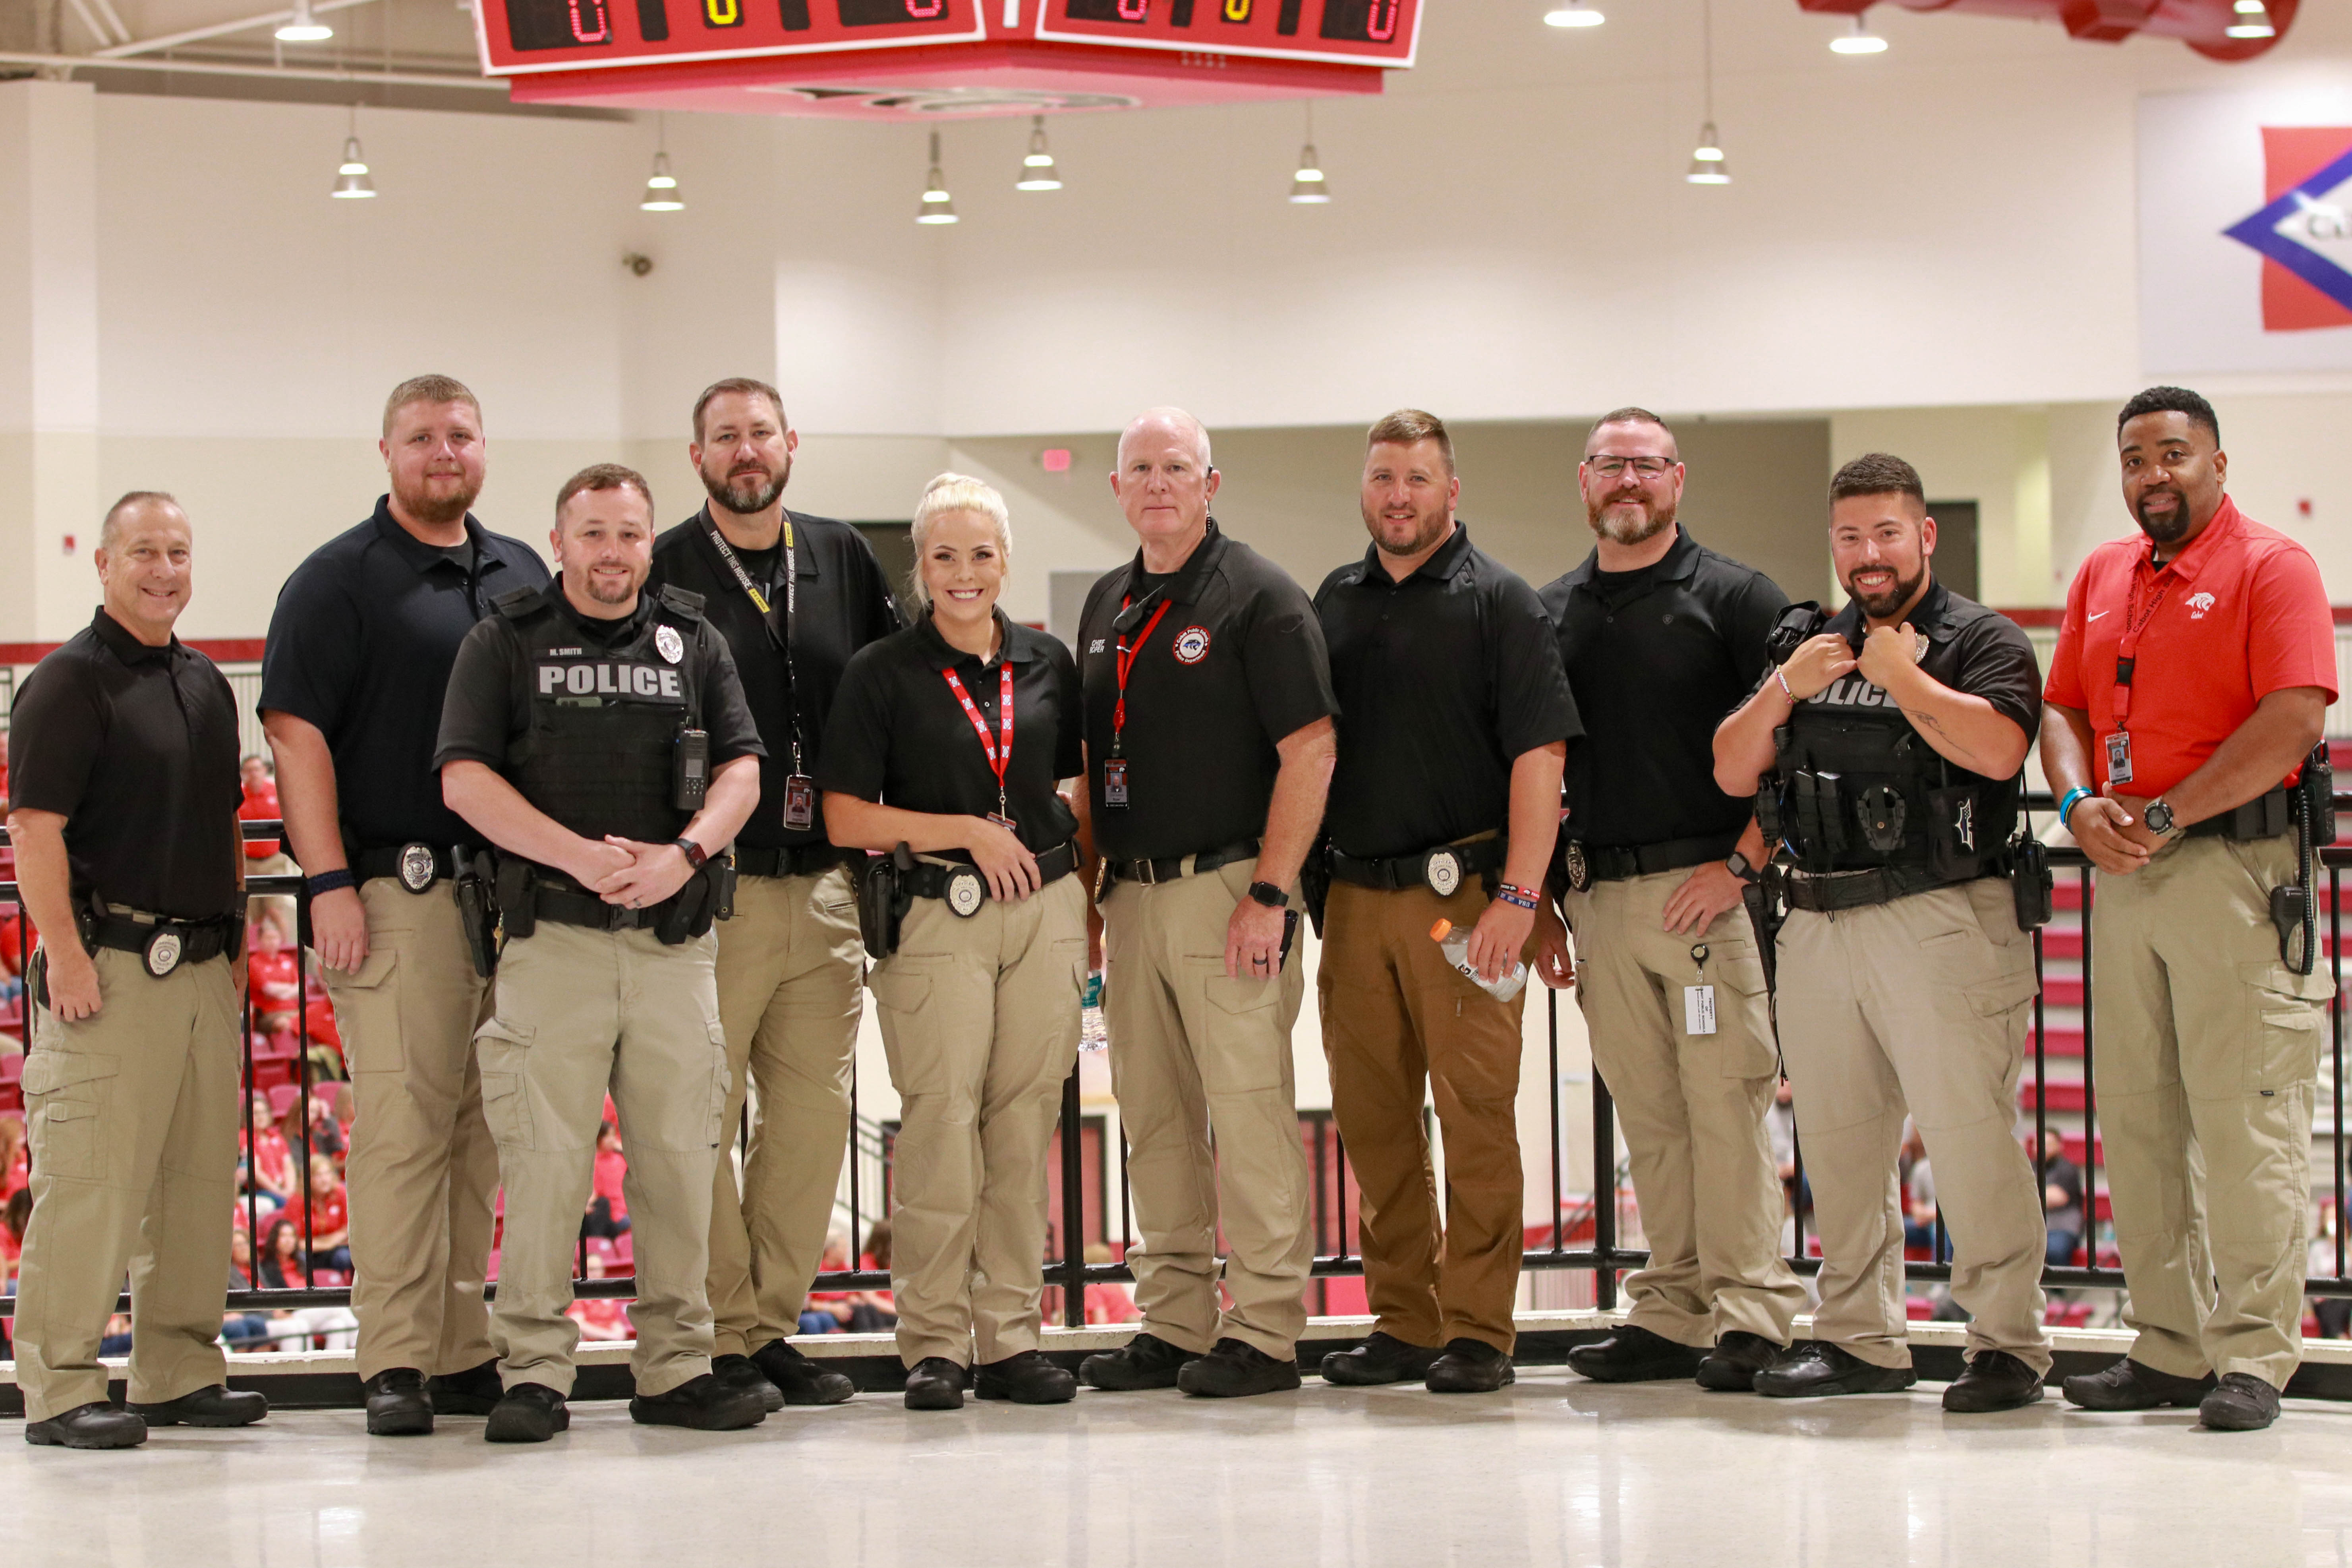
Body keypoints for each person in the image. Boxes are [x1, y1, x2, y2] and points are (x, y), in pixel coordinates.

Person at [436, 462, 768, 1444]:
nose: (612, 553)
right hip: (554, 943)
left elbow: (745, 768)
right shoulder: (503, 640)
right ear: (559, 539)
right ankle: (534, 1370)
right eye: (592, 533)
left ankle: (677, 1366)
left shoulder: (695, 639)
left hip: (673, 944)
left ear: (647, 541)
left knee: (678, 1163)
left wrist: (683, 854)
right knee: (543, 1168)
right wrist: (581, 857)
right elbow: (463, 779)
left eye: (629, 534)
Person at [1714, 452, 2050, 1413]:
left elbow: (1996, 748)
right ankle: (1858, 1334)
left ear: (1922, 535)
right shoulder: (1805, 641)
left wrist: (1902, 676)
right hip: (1816, 917)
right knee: (1838, 1142)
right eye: (1849, 537)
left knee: (1967, 1136)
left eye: (1885, 533)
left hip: (1941, 916)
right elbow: (1732, 771)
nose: (1867, 555)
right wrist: (1783, 685)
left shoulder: (1977, 638)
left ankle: (2004, 1342)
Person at [2039, 385, 2337, 1433]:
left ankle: (2254, 1353)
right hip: (2126, 871)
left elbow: (2293, 719)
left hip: (2234, 869)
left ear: (2216, 462)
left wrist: (2168, 812)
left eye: (2172, 454)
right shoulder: (2102, 575)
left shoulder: (2271, 566)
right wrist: (2077, 803)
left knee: (2245, 1117)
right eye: (2133, 458)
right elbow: (2064, 705)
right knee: (2138, 1116)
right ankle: (2168, 1344)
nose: (2150, 474)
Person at [260, 374, 550, 1437]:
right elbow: (297, 740)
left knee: (481, 1132)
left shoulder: (520, 570)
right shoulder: (336, 581)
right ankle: (390, 1357)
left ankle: (460, 1345)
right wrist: (330, 879)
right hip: (398, 893)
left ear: (485, 446)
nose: (444, 451)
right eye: (423, 435)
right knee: (401, 1130)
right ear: (385, 449)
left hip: (514, 898)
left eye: (461, 433)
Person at [1532, 406, 1806, 1392]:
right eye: (1609, 465)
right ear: (1583, 480)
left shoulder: (1733, 596)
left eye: (1645, 465)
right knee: (1648, 1116)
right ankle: (1672, 1308)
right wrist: (1541, 902)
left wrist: (1739, 864)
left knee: (1723, 1111)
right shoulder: (1550, 609)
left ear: (1676, 479)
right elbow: (1531, 765)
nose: (1627, 482)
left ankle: (1751, 1311)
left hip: (1706, 900)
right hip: (1596, 900)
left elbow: (1795, 747)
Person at [1071, 408, 1339, 1400]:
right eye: (1136, 466)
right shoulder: (1105, 600)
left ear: (1208, 483)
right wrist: (1095, 894)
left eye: (1174, 466)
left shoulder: (1258, 597)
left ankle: (1264, 1328)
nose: (1155, 483)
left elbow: (1308, 750)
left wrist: (1269, 892)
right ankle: (1175, 1318)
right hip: (1133, 897)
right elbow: (1098, 763)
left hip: (1233, 888)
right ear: (1115, 489)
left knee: (1248, 1112)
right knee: (1153, 1115)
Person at [645, 378, 899, 1411]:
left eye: (760, 433)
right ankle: (718, 1330)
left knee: (807, 1121)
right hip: (719, 886)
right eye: (724, 437)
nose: (745, 452)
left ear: (790, 442)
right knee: (706, 1115)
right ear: (696, 454)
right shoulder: (660, 569)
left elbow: (889, 691)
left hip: (829, 884)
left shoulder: (841, 555)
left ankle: (767, 1325)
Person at [1309, 411, 1576, 1394]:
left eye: (1416, 477)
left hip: (1464, 904)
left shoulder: (1500, 602)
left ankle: (1476, 1327)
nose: (1397, 494)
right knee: (1373, 1122)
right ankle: (1404, 1319)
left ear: (1449, 490)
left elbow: (1538, 758)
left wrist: (1519, 892)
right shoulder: (1330, 601)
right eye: (1382, 476)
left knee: (1474, 1120)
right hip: (1351, 899)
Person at [819, 472, 1090, 1411]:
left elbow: (1077, 781)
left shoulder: (1049, 661)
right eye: (943, 555)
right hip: (938, 912)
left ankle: (1010, 1334)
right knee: (941, 1119)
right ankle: (934, 1339)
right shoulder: (881, 671)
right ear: (920, 565)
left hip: (1044, 911)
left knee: (1019, 1125)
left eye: (980, 554)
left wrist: (1079, 896)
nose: (963, 572)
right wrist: (966, 829)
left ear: (1005, 561)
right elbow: (845, 815)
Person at [4, 491, 268, 1448]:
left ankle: (177, 1368)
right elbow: (35, 828)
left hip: (202, 964)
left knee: (198, 1181)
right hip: (108, 966)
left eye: (180, 552)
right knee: (93, 1183)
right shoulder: (66, 683)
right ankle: (63, 1381)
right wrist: (65, 955)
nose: (166, 569)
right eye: (146, 551)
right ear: (105, 564)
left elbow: (230, 821)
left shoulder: (204, 681)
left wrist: (238, 943)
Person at [2037, 1129, 2084, 1268]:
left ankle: (2058, 1289)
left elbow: (2058, 1198)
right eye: (2039, 1144)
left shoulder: (2067, 1169)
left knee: (2056, 1250)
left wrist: (2030, 1193)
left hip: (2063, 1227)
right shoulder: (2030, 1167)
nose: (2043, 1148)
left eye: (2049, 1144)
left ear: (2059, 1146)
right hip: (2036, 1226)